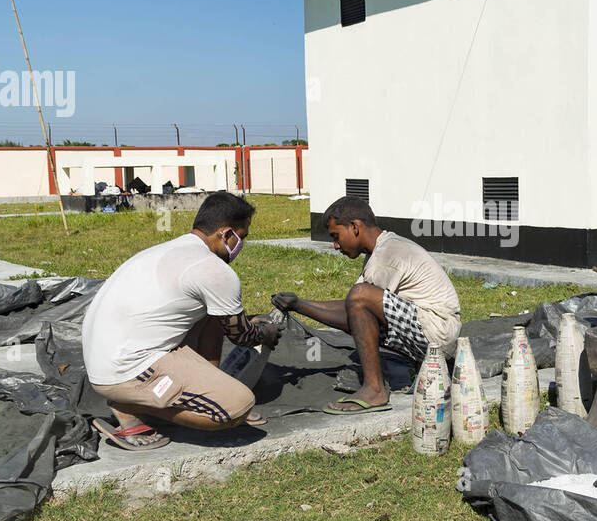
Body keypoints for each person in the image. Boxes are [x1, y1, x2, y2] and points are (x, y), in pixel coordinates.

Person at [82, 190, 280, 450]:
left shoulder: (169, 250)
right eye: (241, 237)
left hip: (106, 359)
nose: (240, 245)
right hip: (127, 370)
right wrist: (265, 332)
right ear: (226, 233)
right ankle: (131, 405)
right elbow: (241, 336)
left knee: (212, 315)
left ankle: (197, 389)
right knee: (237, 406)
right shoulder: (214, 269)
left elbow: (221, 322)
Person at [272, 196, 461, 414]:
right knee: (359, 301)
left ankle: (374, 390)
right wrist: (299, 304)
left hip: (438, 333)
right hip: (431, 330)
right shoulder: (380, 249)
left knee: (360, 297)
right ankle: (410, 371)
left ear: (354, 227)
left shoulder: (386, 254)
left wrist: (301, 306)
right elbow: (353, 308)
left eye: (336, 236)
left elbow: (356, 310)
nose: (335, 245)